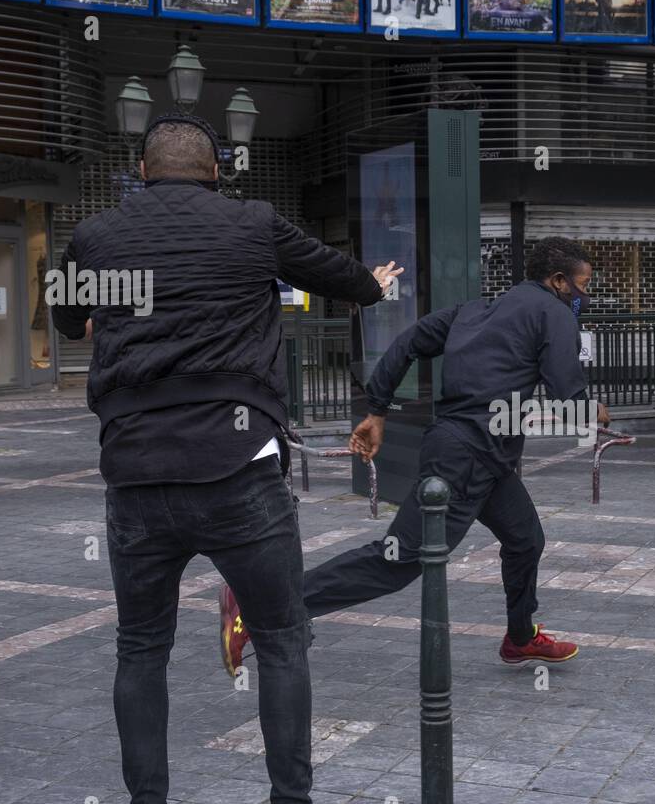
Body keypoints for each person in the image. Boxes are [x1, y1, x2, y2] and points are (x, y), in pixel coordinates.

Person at [52, 114, 401, 804]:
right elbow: (350, 284)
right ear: (216, 171)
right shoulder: (254, 224)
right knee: (280, 639)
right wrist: (374, 282)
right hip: (239, 467)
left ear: (141, 172)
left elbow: (66, 322)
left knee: (140, 647)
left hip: (136, 473)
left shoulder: (95, 236)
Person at [220, 237, 610, 684]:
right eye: (582, 287)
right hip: (466, 459)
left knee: (525, 540)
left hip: (482, 457)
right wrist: (592, 407)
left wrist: (377, 412)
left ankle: (520, 637)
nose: (584, 297)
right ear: (558, 281)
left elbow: (406, 344)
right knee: (400, 560)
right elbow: (568, 396)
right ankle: (260, 607)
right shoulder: (554, 313)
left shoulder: (474, 311)